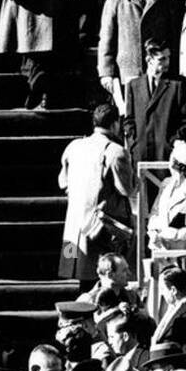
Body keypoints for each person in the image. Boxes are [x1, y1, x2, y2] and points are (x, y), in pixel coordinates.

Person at [57, 103, 134, 281]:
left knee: (78, 276)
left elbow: (63, 182)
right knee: (101, 277)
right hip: (100, 228)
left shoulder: (74, 146)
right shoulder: (116, 152)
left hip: (74, 225)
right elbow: (126, 189)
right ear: (115, 124)